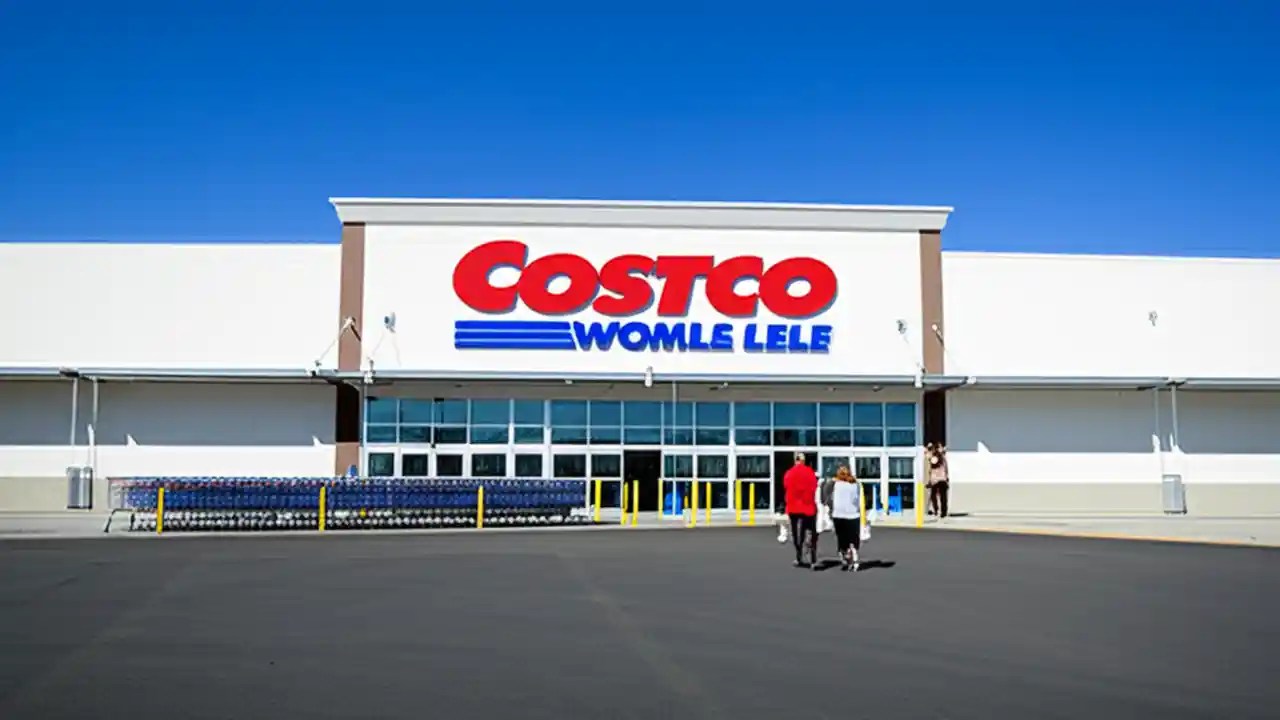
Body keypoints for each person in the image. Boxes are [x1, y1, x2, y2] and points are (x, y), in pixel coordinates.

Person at [822, 465, 862, 572]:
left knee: (842, 538)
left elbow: (825, 492)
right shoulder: (855, 484)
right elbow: (857, 499)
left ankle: (845, 556)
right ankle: (854, 554)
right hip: (853, 514)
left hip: (839, 514)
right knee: (853, 538)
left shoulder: (835, 484)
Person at [783, 452, 819, 568]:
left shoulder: (789, 473)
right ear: (803, 460)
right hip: (808, 507)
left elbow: (786, 485)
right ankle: (813, 559)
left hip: (793, 507)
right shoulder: (810, 472)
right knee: (810, 533)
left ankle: (799, 555)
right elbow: (814, 486)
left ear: (795, 460)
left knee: (796, 533)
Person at [927, 443, 950, 519]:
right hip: (939, 480)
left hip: (938, 480)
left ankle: (939, 511)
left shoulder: (937, 457)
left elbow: (933, 465)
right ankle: (941, 511)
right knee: (940, 497)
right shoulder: (941, 457)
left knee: (937, 497)